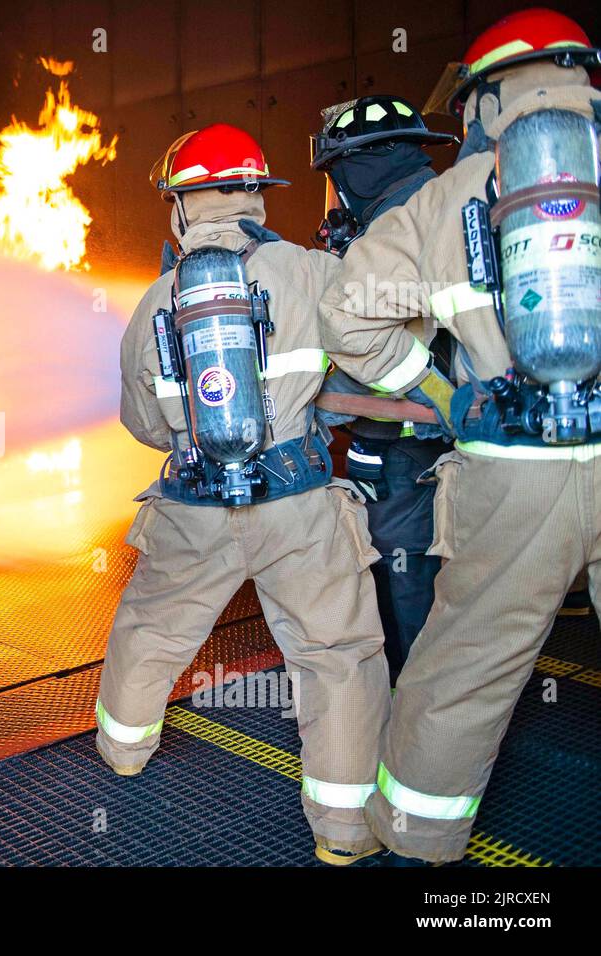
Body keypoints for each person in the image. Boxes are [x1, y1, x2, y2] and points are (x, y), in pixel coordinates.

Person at [318, 7, 601, 863]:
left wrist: (443, 393)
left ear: (482, 101)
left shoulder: (444, 204)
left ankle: (417, 839)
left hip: (515, 469)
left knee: (463, 670)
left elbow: (345, 315)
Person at [96, 123, 391, 865]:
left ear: (180, 205)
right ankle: (344, 832)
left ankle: (123, 754)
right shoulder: (314, 272)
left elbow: (141, 423)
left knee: (152, 632)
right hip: (298, 501)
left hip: (195, 506)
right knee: (334, 656)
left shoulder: (155, 301)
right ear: (257, 192)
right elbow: (367, 367)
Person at [310, 95, 459, 681]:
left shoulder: (394, 229)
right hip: (448, 443)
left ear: (357, 167)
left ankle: (413, 713)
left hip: (407, 449)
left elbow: (357, 336)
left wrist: (310, 393)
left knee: (405, 583)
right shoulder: (445, 204)